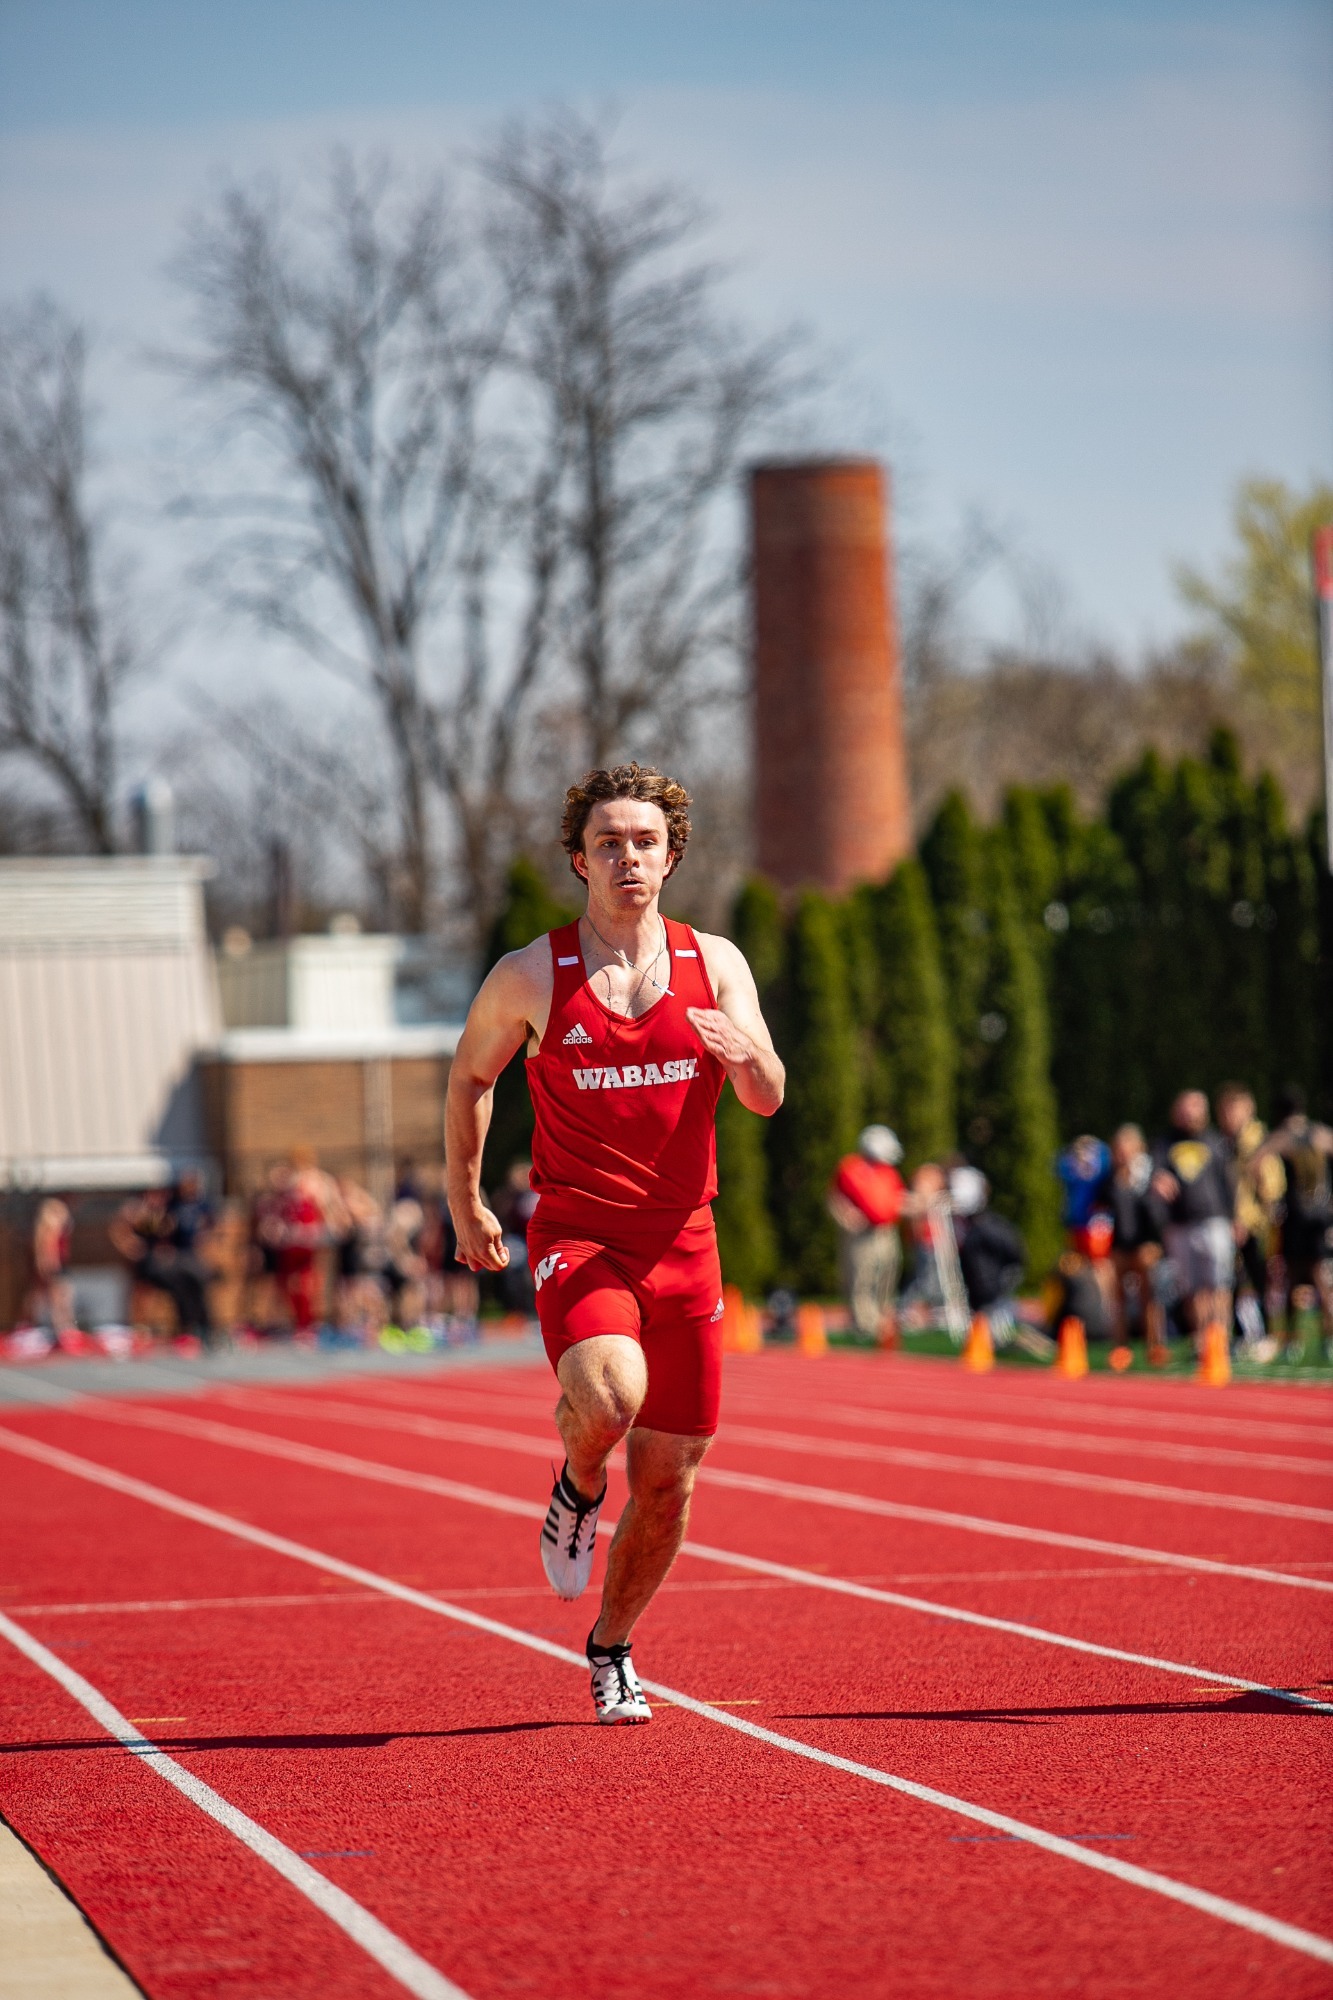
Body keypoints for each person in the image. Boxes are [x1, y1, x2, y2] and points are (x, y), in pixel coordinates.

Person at [446, 764, 784, 1725]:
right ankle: (577, 1483)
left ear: (671, 856)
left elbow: (767, 1096)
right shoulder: (529, 974)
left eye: (644, 842)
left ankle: (611, 1648)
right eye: (608, 843)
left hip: (687, 1243)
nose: (627, 858)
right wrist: (466, 1202)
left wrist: (746, 1055)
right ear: (577, 860)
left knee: (672, 1481)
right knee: (608, 1397)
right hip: (581, 1235)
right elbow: (471, 1078)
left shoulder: (713, 963)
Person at [1243, 1087, 1333, 1354]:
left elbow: (1253, 1164)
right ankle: (1328, 1338)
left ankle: (1292, 1341)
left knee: (1292, 1278)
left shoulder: (1283, 1137)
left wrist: (1263, 1197)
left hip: (1295, 1216)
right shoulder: (1321, 1134)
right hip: (1321, 1215)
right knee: (1321, 1277)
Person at [1151, 1090, 1235, 1349]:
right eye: (1185, 1108)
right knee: (1192, 1288)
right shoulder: (1165, 1144)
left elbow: (1229, 1183)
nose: (1189, 1114)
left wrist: (1235, 1219)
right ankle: (1201, 1342)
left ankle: (1221, 1339)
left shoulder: (1216, 1141)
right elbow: (1152, 1173)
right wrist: (1158, 1179)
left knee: (1219, 1284)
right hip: (1181, 1225)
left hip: (1214, 1221)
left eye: (1195, 1107)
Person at [1214, 1082, 1283, 1348]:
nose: (1228, 1116)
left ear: (1248, 1108)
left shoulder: (1256, 1140)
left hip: (1254, 1223)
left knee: (1259, 1278)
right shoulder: (1225, 1143)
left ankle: (1266, 1335)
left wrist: (1254, 1219)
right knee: (1231, 1281)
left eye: (1234, 1109)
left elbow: (1269, 1184)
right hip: (1232, 1221)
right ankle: (1240, 1334)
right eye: (1225, 1111)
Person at [827, 1126, 907, 1340]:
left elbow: (896, 1199)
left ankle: (881, 1322)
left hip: (886, 1232)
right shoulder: (851, 1168)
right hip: (861, 1235)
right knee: (861, 1278)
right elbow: (835, 1199)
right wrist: (846, 1217)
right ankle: (864, 1325)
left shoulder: (888, 1173)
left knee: (887, 1277)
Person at [1106, 1124, 1170, 1359]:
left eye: (1127, 1147)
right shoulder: (1110, 1178)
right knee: (1117, 1298)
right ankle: (1120, 1346)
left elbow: (1159, 1214)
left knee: (1150, 1296)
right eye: (1118, 1148)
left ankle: (1154, 1345)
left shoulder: (1149, 1175)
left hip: (1145, 1244)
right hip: (1119, 1245)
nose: (1122, 1153)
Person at [949, 1167, 1025, 1342]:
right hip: (977, 1295)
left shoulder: (990, 1228)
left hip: (990, 1296)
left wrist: (1001, 1285)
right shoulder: (970, 1228)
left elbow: (1015, 1258)